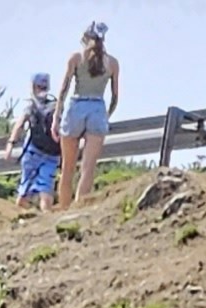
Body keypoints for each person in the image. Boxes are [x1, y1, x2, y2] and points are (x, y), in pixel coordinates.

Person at [58, 22, 118, 204]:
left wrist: (56, 116)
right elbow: (115, 96)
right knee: (88, 168)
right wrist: (107, 115)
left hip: (76, 105)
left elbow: (64, 89)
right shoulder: (112, 63)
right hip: (98, 107)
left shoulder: (76, 58)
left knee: (67, 167)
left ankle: (63, 208)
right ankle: (79, 208)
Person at [14, 71, 61, 208]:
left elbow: (19, 125)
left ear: (33, 86)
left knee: (25, 190)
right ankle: (46, 217)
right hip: (53, 154)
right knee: (46, 188)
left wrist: (11, 143)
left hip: (33, 152)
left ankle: (19, 218)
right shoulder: (56, 106)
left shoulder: (31, 106)